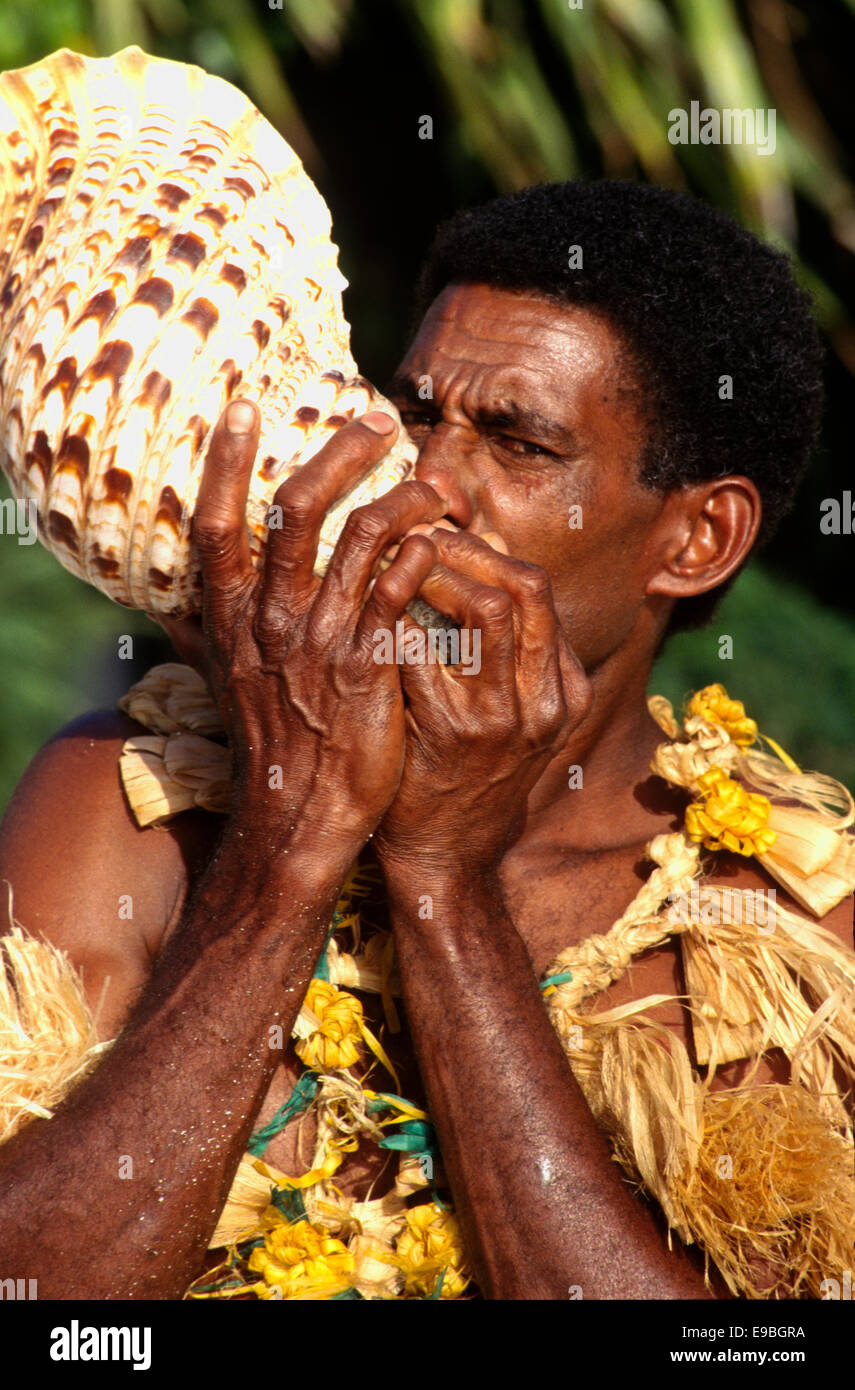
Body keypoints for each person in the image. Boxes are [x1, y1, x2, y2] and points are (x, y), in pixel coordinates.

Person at [0, 180, 851, 1301]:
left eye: (518, 443)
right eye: (414, 413)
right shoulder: (138, 792)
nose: (426, 484)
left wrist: (442, 884)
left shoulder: (781, 926)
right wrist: (285, 853)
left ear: (698, 539)